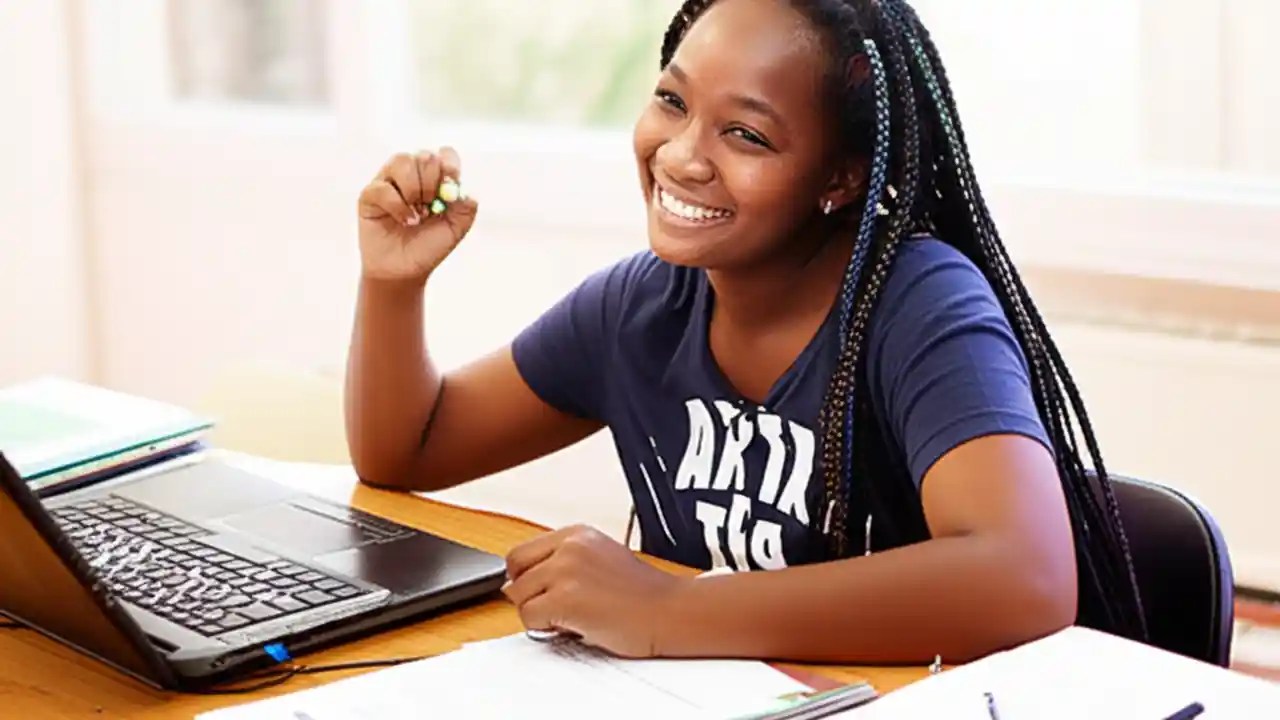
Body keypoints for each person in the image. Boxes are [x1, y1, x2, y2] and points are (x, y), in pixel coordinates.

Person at [344, 0, 1147, 664]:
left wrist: (675, 611)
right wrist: (393, 282)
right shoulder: (640, 307)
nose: (684, 156)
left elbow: (1027, 580)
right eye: (672, 100)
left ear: (841, 177)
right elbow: (409, 449)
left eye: (747, 134)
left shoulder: (920, 304)